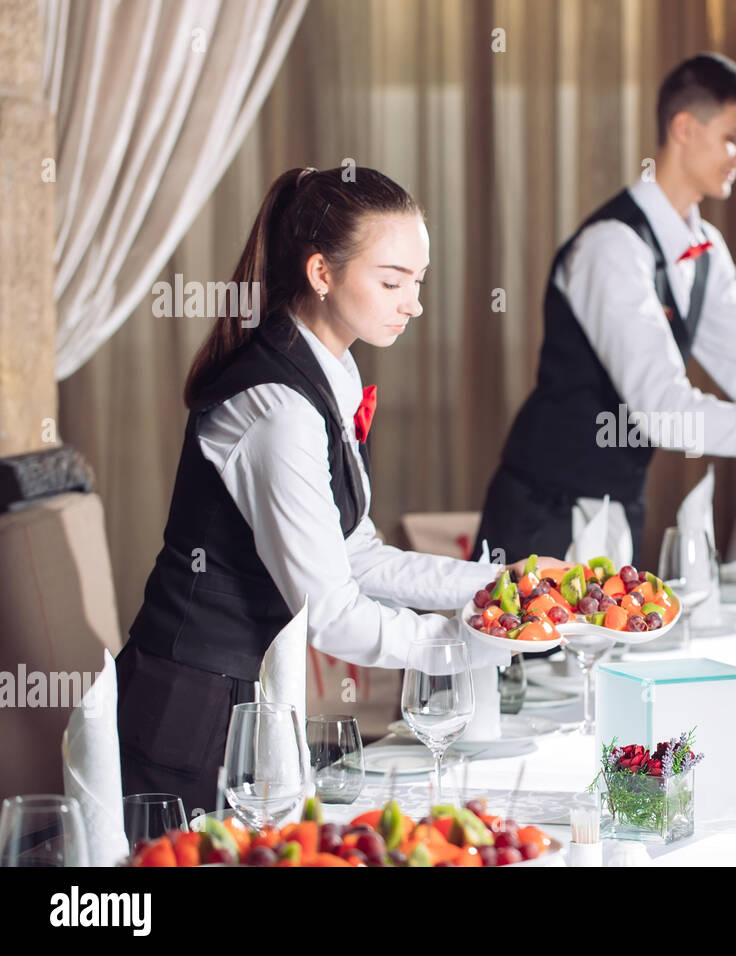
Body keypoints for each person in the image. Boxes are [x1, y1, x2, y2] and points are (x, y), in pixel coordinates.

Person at [116, 166, 564, 814]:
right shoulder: (279, 409)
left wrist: (501, 586)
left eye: (418, 282)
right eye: (392, 281)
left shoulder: (332, 374)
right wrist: (469, 644)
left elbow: (358, 554)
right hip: (193, 712)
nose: (413, 303)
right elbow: (330, 612)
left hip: (250, 695)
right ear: (321, 273)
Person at [476, 52, 736, 566]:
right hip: (545, 512)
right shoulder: (612, 246)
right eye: (733, 138)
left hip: (617, 507)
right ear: (683, 128)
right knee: (538, 650)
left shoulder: (704, 246)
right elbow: (663, 413)